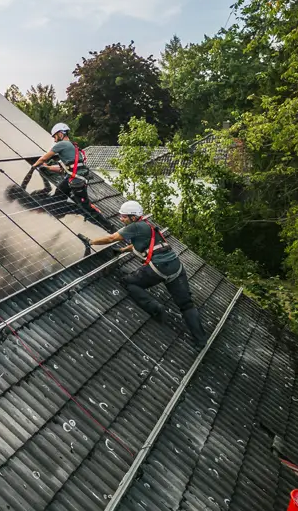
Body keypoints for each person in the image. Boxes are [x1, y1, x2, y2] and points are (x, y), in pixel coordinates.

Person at [87, 200, 209, 349]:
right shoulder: (147, 226)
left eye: (124, 216)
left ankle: (155, 308)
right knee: (186, 305)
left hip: (158, 268)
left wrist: (91, 242)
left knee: (128, 282)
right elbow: (141, 245)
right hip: (176, 268)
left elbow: (112, 238)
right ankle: (201, 341)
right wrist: (122, 251)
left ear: (133, 217)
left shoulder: (135, 226)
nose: (121, 219)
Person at [29, 123, 111, 230]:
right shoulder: (72, 147)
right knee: (59, 194)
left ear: (60, 133)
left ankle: (109, 227)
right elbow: (64, 169)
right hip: (73, 178)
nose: (54, 140)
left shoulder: (61, 144)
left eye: (54, 136)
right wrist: (48, 168)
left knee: (85, 208)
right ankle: (57, 217)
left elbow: (43, 158)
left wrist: (33, 167)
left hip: (77, 181)